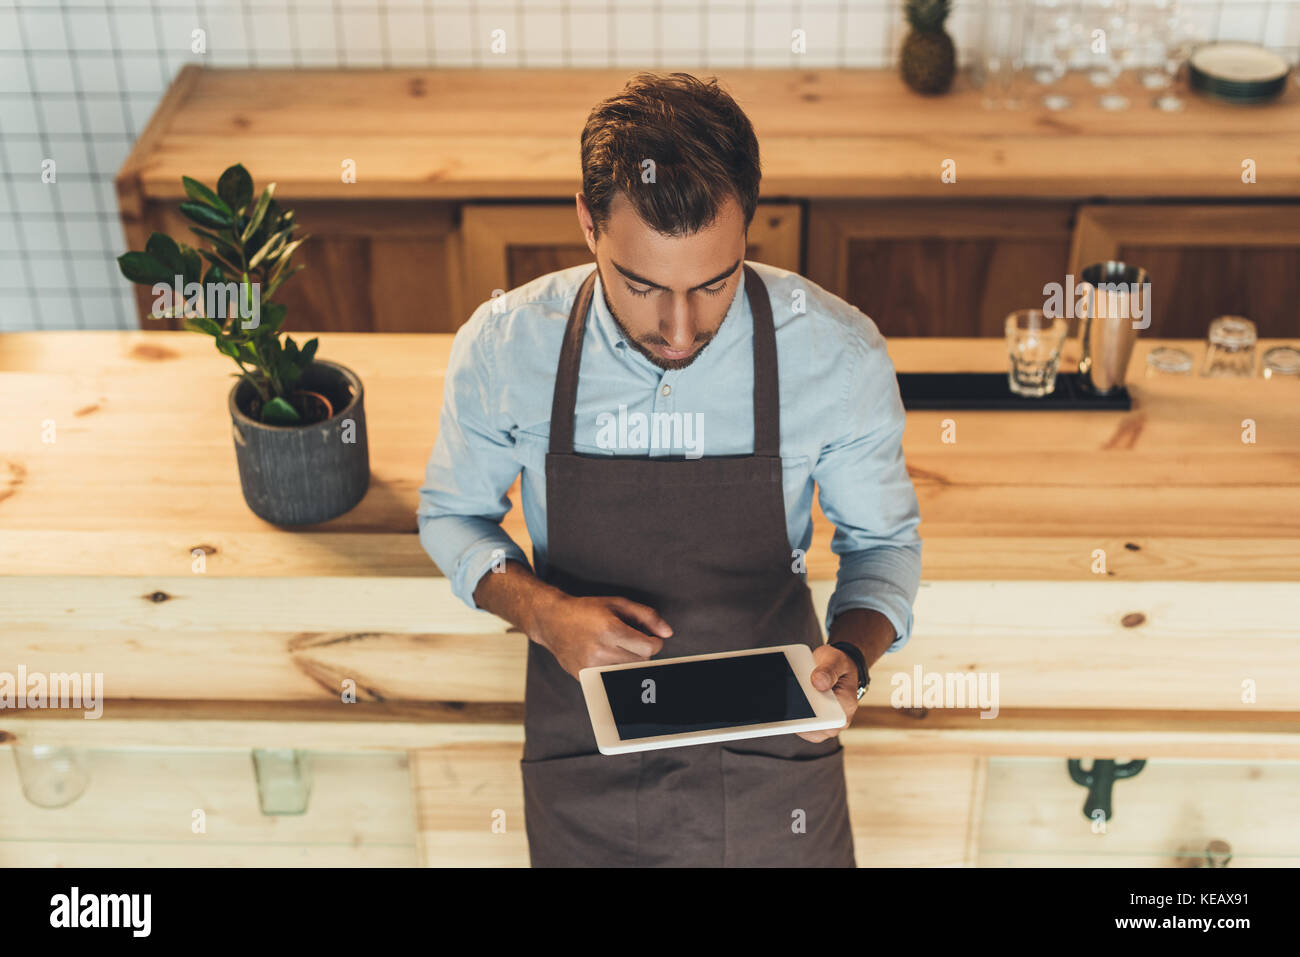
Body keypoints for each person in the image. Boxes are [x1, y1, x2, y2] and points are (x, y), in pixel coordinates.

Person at [418, 71, 921, 867]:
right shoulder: (506, 347)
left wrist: (854, 655)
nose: (680, 329)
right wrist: (543, 613)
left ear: (749, 227)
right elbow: (452, 516)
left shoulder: (836, 354)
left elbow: (884, 544)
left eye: (714, 283)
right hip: (586, 757)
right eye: (642, 284)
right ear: (588, 223)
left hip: (775, 761)